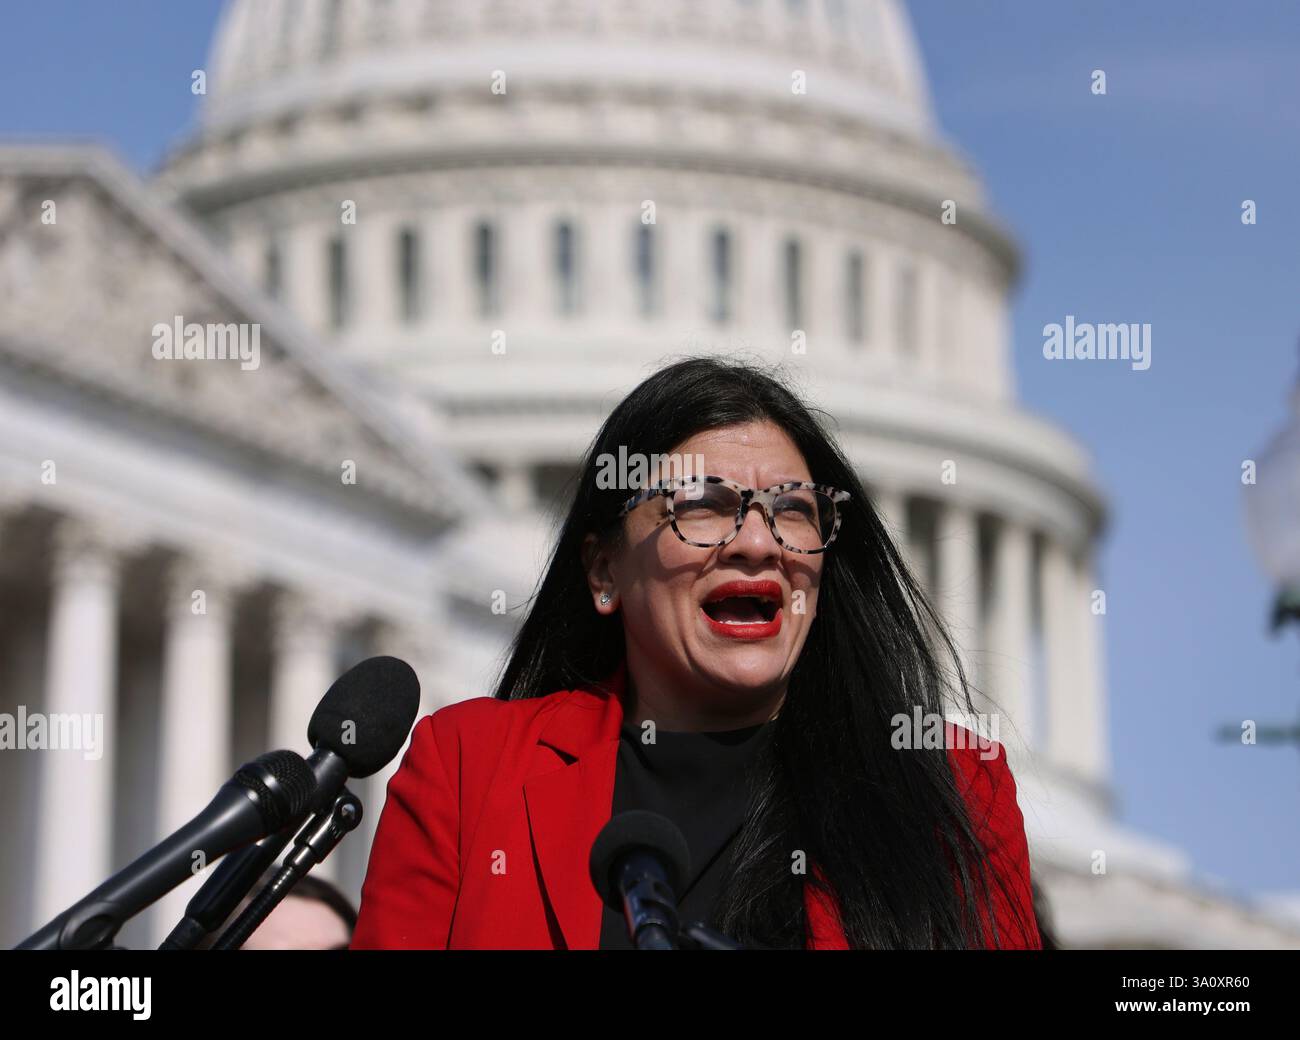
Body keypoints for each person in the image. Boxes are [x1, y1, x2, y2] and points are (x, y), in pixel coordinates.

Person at [351, 356, 1041, 949]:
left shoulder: (955, 788)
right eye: (701, 504)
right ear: (604, 572)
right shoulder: (470, 770)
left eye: (794, 509)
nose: (758, 543)